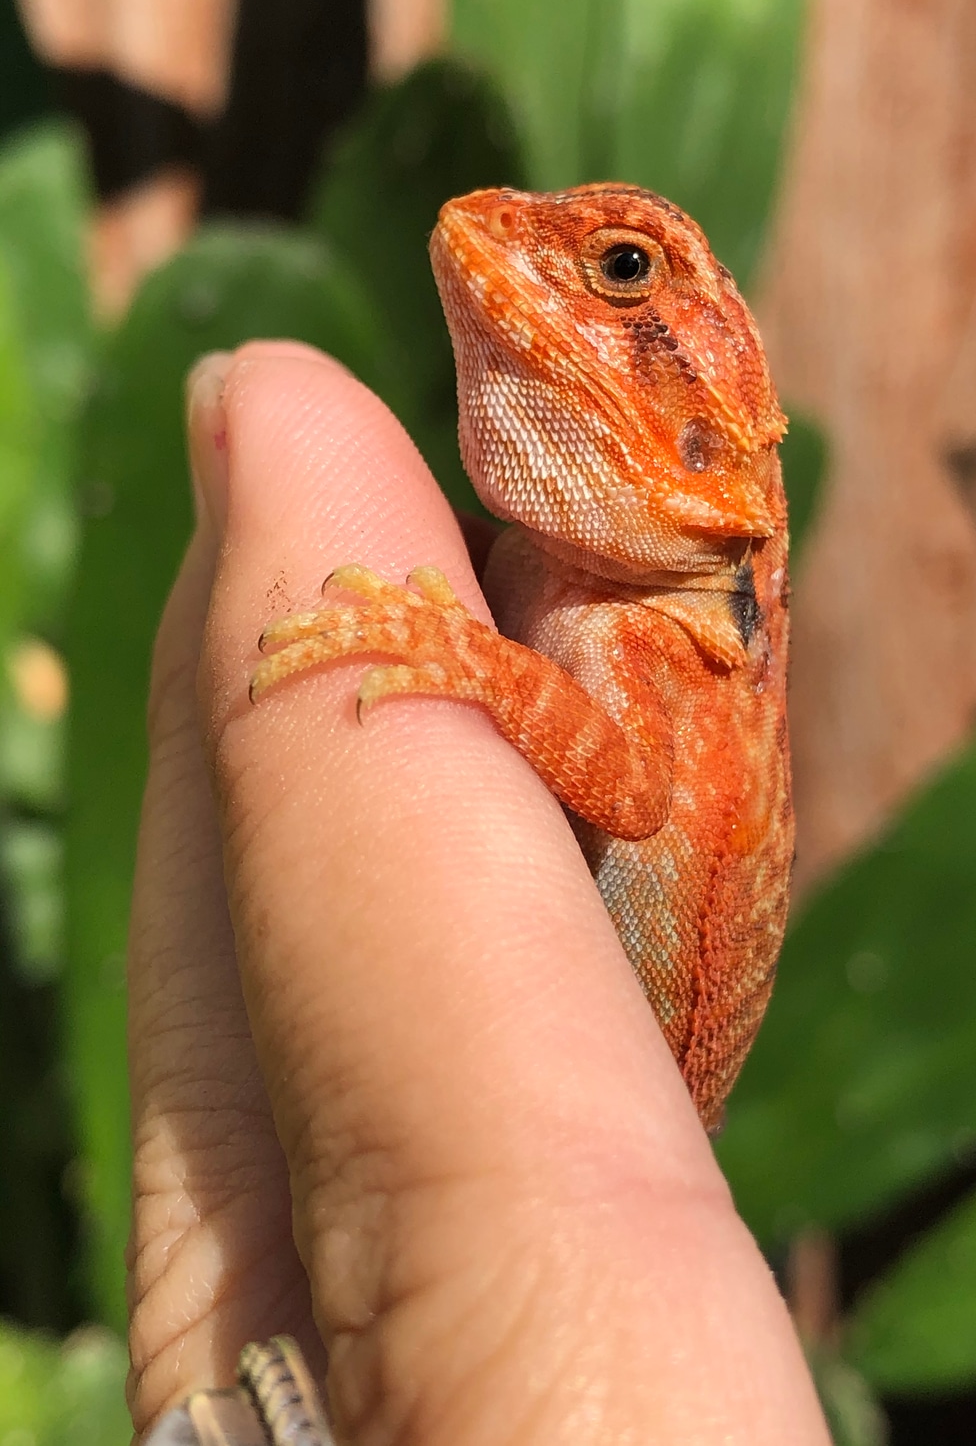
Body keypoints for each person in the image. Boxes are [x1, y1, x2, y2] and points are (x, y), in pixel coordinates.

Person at [127, 341, 830, 1445]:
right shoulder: (596, 585)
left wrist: (465, 655)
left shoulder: (671, 633)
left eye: (623, 271)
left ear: (702, 443)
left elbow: (633, 790)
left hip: (598, 1171)